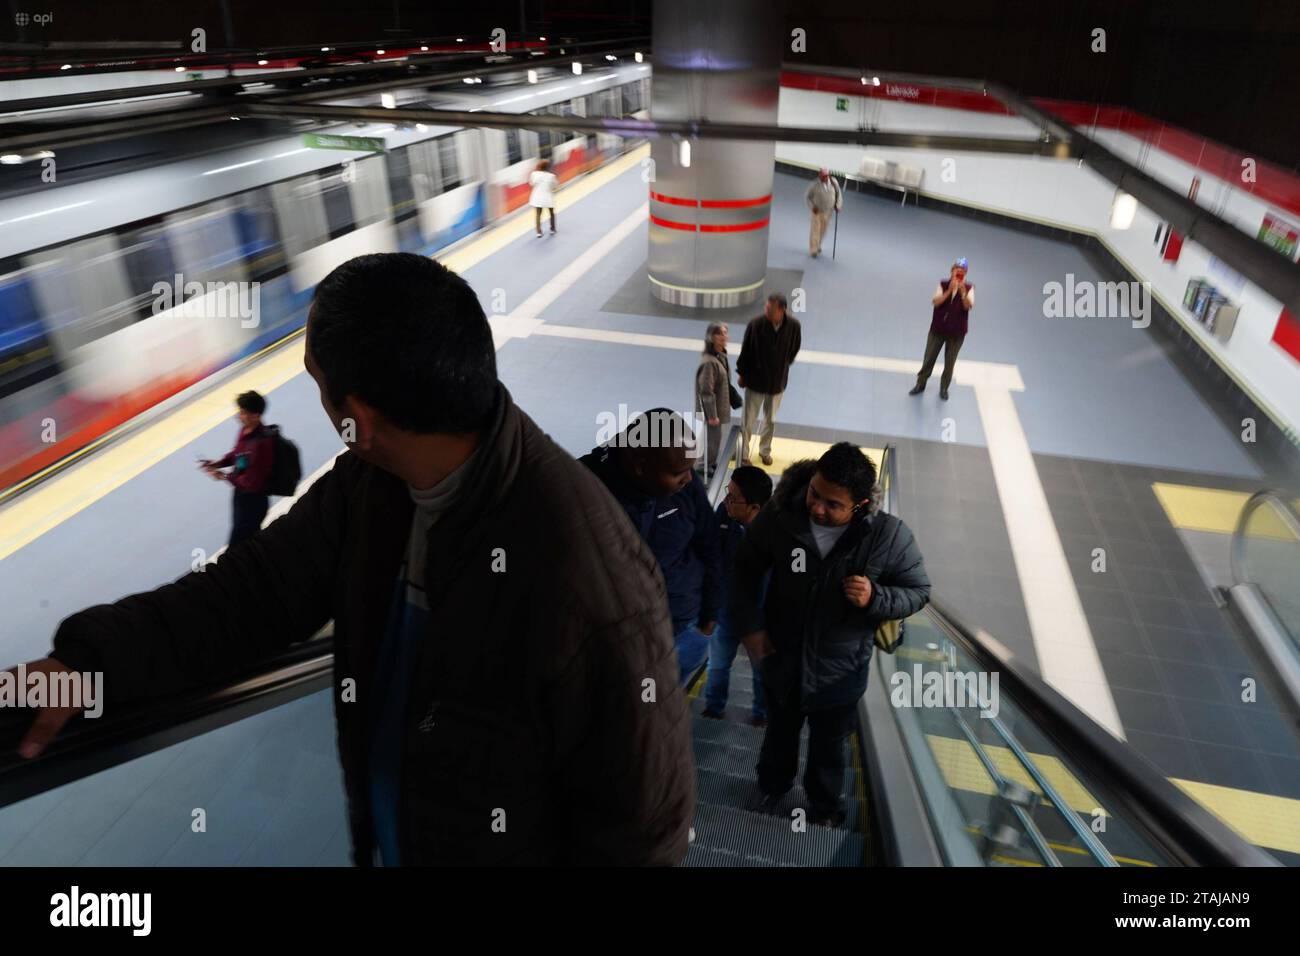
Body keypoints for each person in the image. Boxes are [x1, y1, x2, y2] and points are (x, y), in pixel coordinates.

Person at [16, 252, 694, 866]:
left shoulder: (593, 580)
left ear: (358, 418)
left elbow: (641, 837)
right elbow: (246, 597)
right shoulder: (369, 488)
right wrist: (86, 664)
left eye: (317, 382)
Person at [731, 443, 931, 827]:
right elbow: (744, 568)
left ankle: (824, 811)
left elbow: (918, 591)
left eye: (832, 505)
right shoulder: (780, 515)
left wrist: (877, 597)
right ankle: (771, 788)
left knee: (829, 749)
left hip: (840, 672)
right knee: (779, 736)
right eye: (814, 494)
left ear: (859, 505)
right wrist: (751, 628)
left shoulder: (888, 536)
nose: (817, 508)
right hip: (782, 659)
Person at [580, 409, 722, 686]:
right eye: (679, 472)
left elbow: (710, 543)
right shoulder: (585, 494)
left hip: (684, 627)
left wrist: (708, 620)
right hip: (621, 646)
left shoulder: (683, 485)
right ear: (640, 466)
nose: (690, 480)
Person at [702, 465, 773, 726]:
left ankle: (761, 714)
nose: (725, 501)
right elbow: (712, 557)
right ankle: (713, 708)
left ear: (754, 507)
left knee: (761, 669)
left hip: (760, 617)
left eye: (733, 497)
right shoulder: (724, 514)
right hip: (726, 610)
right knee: (718, 664)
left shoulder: (776, 532)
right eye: (726, 492)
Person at [200, 390, 275, 548]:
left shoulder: (260, 445)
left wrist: (224, 477)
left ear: (255, 415)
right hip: (241, 498)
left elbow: (250, 482)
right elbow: (237, 455)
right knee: (248, 541)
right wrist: (217, 464)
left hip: (253, 502)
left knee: (237, 546)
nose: (238, 416)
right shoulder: (245, 431)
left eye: (242, 413)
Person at [735, 293, 801, 468]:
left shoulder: (794, 326)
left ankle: (765, 451)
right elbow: (746, 350)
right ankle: (742, 454)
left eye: (770, 309)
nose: (766, 311)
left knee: (770, 420)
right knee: (747, 420)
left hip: (777, 383)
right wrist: (742, 373)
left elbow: (794, 350)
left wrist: (782, 365)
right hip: (755, 382)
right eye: (766, 307)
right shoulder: (756, 325)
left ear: (782, 310)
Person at [909, 257, 974, 401]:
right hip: (938, 330)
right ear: (951, 271)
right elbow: (935, 302)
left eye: (962, 271)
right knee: (929, 358)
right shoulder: (943, 285)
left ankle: (944, 388)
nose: (958, 273)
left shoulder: (969, 288)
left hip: (957, 333)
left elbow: (968, 306)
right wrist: (949, 291)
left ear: (965, 274)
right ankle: (921, 383)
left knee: (950, 362)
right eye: (956, 270)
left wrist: (962, 292)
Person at [694, 322, 733, 478]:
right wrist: (712, 415)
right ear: (712, 337)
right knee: (711, 440)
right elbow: (706, 390)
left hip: (718, 407)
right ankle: (703, 466)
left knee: (715, 440)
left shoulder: (720, 355)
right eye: (720, 333)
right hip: (713, 411)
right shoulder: (710, 362)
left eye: (725, 333)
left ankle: (710, 462)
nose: (724, 337)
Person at [804, 168, 842, 257]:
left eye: (824, 176)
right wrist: (812, 207)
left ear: (827, 176)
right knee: (815, 230)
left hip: (828, 212)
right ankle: (813, 249)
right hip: (817, 211)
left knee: (823, 230)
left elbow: (838, 195)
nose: (822, 178)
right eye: (821, 176)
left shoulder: (834, 183)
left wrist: (838, 205)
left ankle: (818, 245)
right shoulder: (814, 185)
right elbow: (807, 197)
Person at [529, 158, 558, 236]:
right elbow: (555, 186)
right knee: (551, 213)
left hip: (537, 197)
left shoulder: (534, 174)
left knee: (538, 214)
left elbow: (531, 184)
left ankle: (539, 232)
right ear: (548, 167)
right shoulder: (551, 176)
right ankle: (552, 229)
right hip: (548, 197)